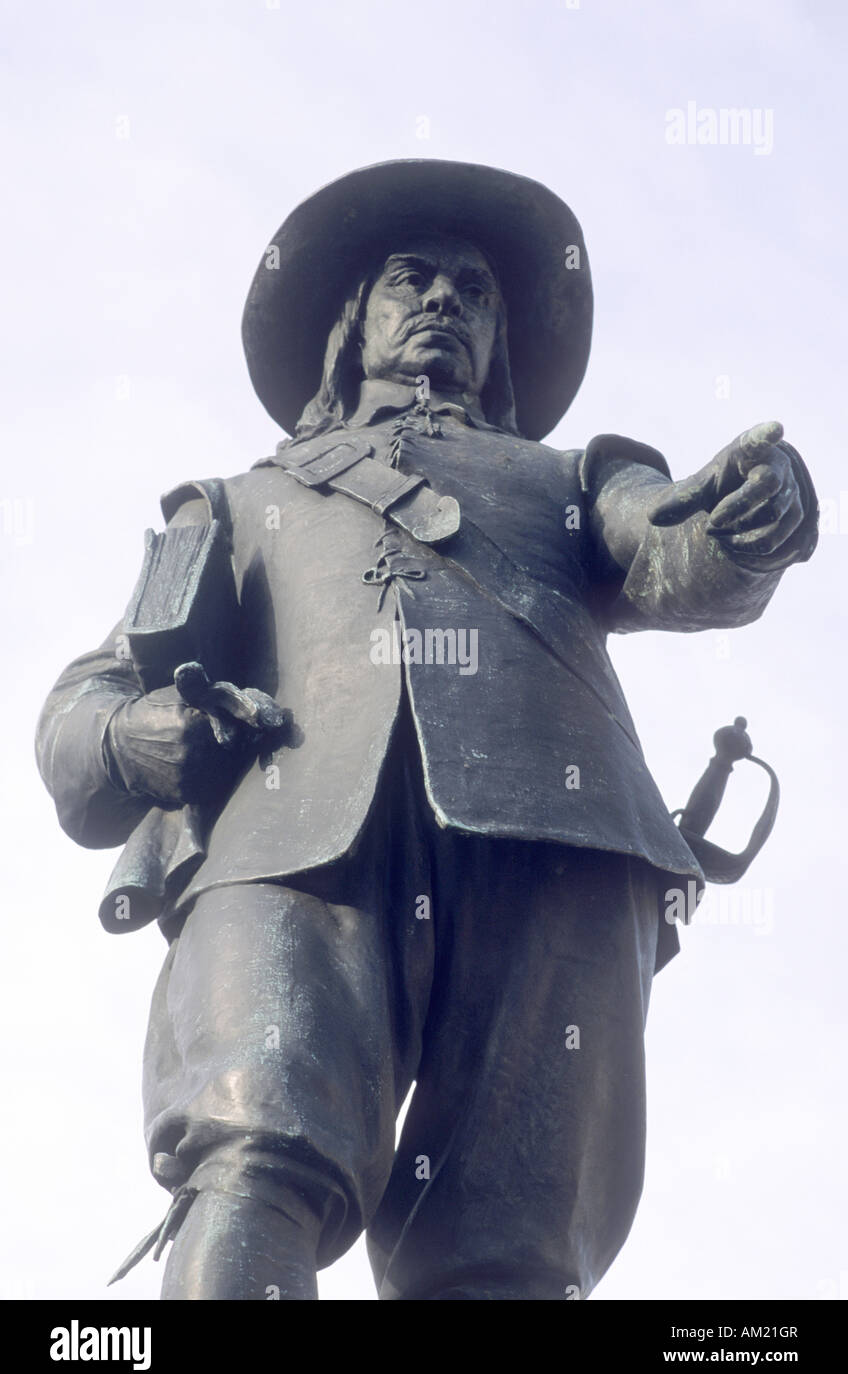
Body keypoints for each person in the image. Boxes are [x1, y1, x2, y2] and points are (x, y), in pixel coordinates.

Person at [35, 160, 818, 1300]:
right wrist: (132, 736)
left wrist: (744, 520)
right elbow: (81, 710)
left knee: (506, 1243)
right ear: (354, 323)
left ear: (499, 339)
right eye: (413, 280)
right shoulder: (235, 503)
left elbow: (666, 547)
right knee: (252, 1156)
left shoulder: (573, 476)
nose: (446, 301)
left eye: (477, 291)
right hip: (290, 835)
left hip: (553, 836)